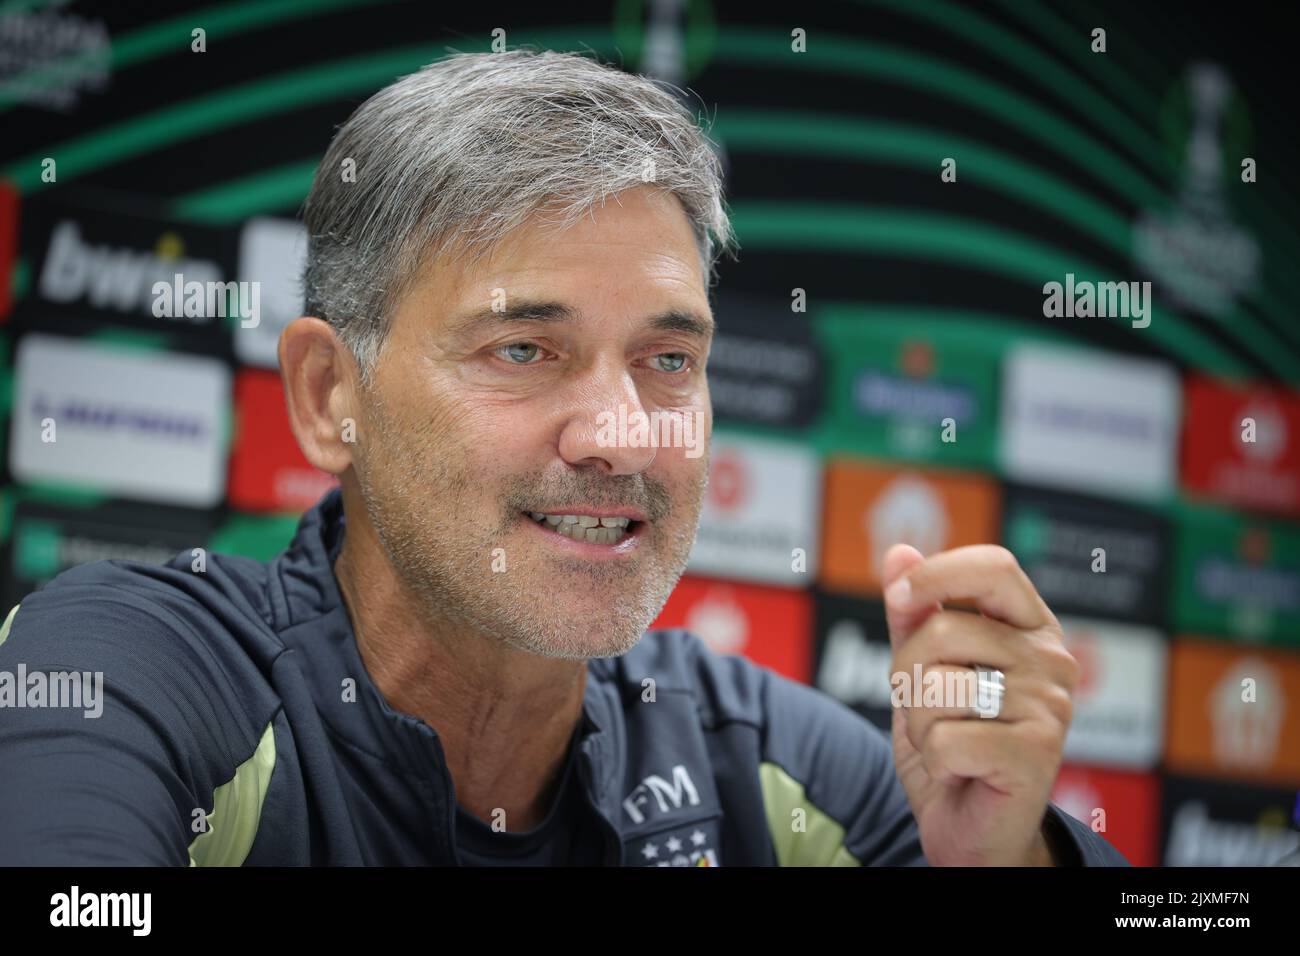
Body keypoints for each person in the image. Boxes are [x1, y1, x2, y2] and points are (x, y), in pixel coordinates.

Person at [0, 50, 1126, 867]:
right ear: (329, 394)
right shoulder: (134, 668)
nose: (621, 432)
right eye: (525, 348)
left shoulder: (756, 756)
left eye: (667, 358)